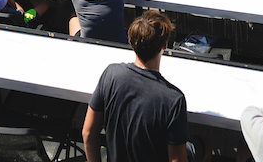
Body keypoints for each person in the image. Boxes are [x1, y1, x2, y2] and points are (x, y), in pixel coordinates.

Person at [84, 10, 207, 162]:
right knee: (204, 145)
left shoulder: (111, 74)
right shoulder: (173, 99)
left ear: (131, 41)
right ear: (165, 45)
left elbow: (88, 133)